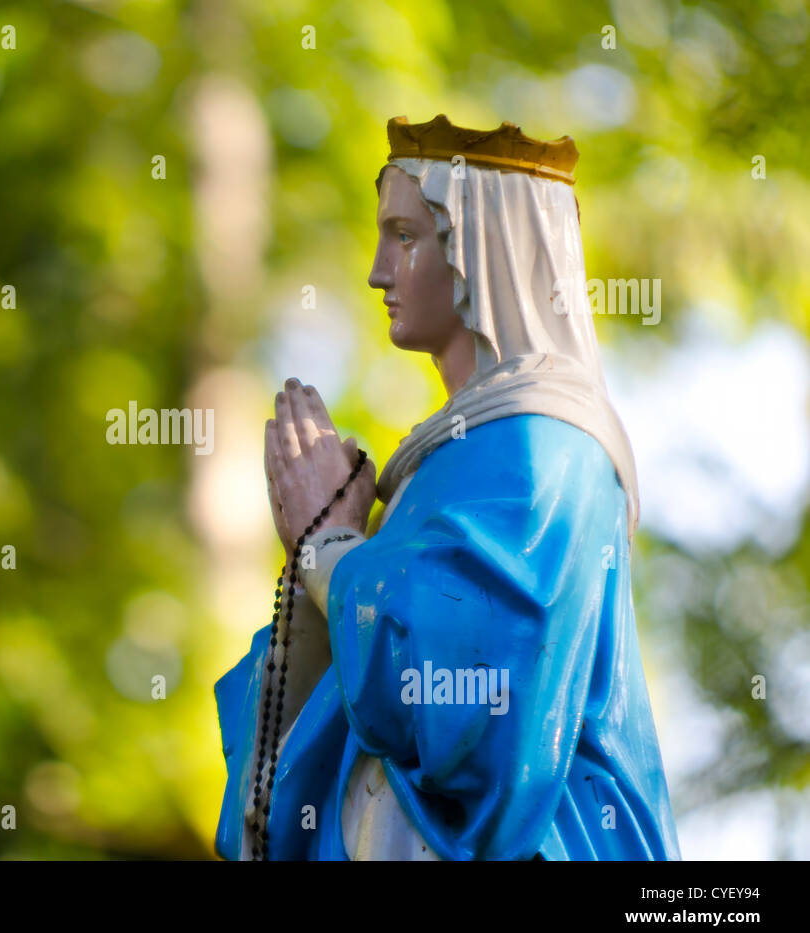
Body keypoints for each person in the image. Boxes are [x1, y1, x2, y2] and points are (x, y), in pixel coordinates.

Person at [214, 115, 681, 860]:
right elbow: (337, 732)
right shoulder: (436, 470)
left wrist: (331, 549)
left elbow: (469, 711)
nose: (376, 270)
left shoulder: (546, 445)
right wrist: (316, 559)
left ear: (482, 248)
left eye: (405, 235)